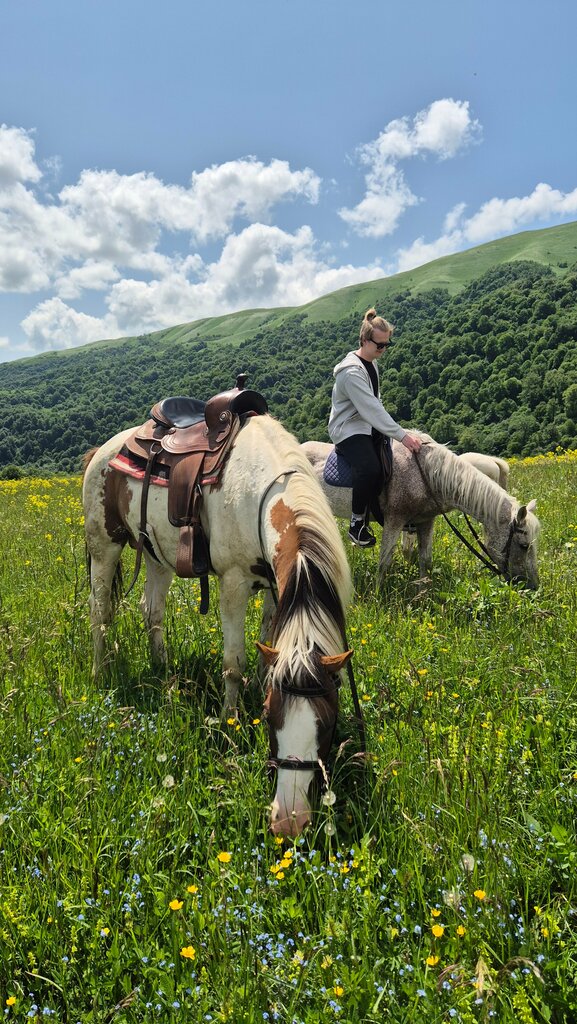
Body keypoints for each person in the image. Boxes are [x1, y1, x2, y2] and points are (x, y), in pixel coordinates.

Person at [328, 308, 422, 547]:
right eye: (379, 345)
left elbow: (374, 405)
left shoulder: (371, 363)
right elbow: (371, 408)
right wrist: (403, 436)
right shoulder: (351, 372)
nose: (383, 350)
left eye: (386, 345)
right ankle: (356, 523)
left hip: (366, 424)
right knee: (369, 467)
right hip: (348, 428)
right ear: (363, 340)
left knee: (390, 464)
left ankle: (386, 513)